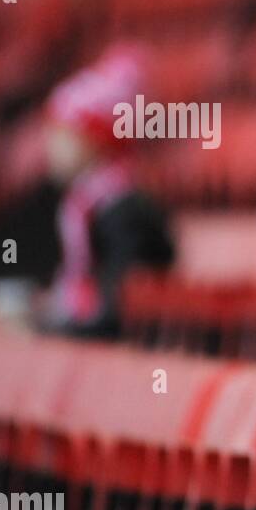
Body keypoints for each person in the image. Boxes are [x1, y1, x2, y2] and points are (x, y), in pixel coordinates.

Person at [40, 46, 175, 338]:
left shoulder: (127, 214)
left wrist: (54, 330)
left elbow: (123, 311)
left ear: (96, 141)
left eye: (63, 134)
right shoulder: (83, 206)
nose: (49, 146)